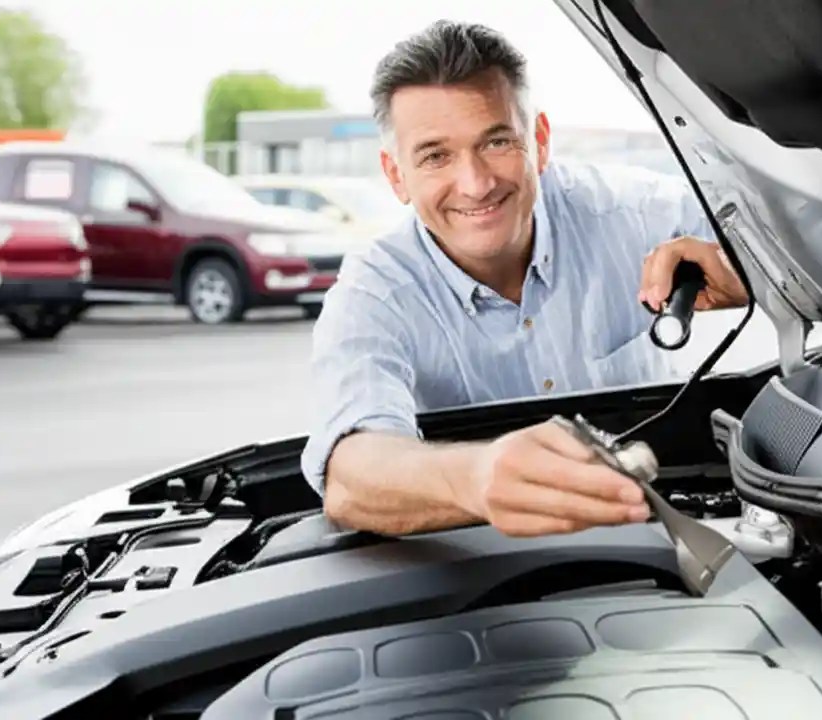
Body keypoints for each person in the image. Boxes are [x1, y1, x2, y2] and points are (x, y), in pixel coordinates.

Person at [300, 20, 749, 539]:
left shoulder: (634, 213)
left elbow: (802, 258)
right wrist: (479, 476)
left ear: (539, 141)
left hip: (655, 536)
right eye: (436, 156)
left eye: (496, 142)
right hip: (479, 570)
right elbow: (351, 477)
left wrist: (751, 279)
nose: (475, 184)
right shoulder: (375, 290)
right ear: (396, 175)